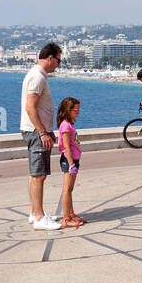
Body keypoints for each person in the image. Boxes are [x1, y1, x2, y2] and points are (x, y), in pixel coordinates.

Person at [22, 42, 62, 230]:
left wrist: (47, 128)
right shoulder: (37, 77)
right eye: (58, 61)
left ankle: (34, 211)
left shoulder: (38, 75)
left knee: (37, 175)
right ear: (50, 57)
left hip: (38, 130)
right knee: (38, 175)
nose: (58, 65)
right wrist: (42, 132)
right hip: (36, 132)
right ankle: (39, 218)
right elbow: (30, 107)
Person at [56, 97, 86, 228]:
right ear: (68, 110)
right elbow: (66, 146)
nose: (78, 112)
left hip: (74, 159)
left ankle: (71, 214)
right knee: (66, 190)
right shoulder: (65, 126)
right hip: (69, 160)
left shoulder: (69, 124)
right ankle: (66, 218)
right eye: (76, 110)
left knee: (70, 189)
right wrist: (71, 164)